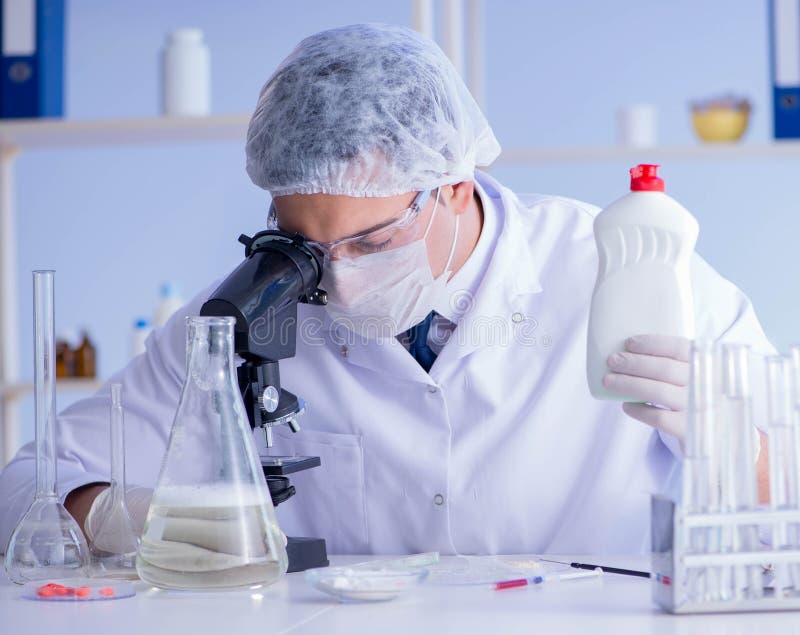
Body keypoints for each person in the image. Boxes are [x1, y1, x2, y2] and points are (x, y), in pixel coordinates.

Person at [0, 24, 774, 556]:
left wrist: (740, 444)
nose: (334, 279)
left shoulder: (620, 265)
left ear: (455, 188)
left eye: (370, 241)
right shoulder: (246, 315)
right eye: (308, 246)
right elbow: (24, 486)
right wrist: (112, 515)